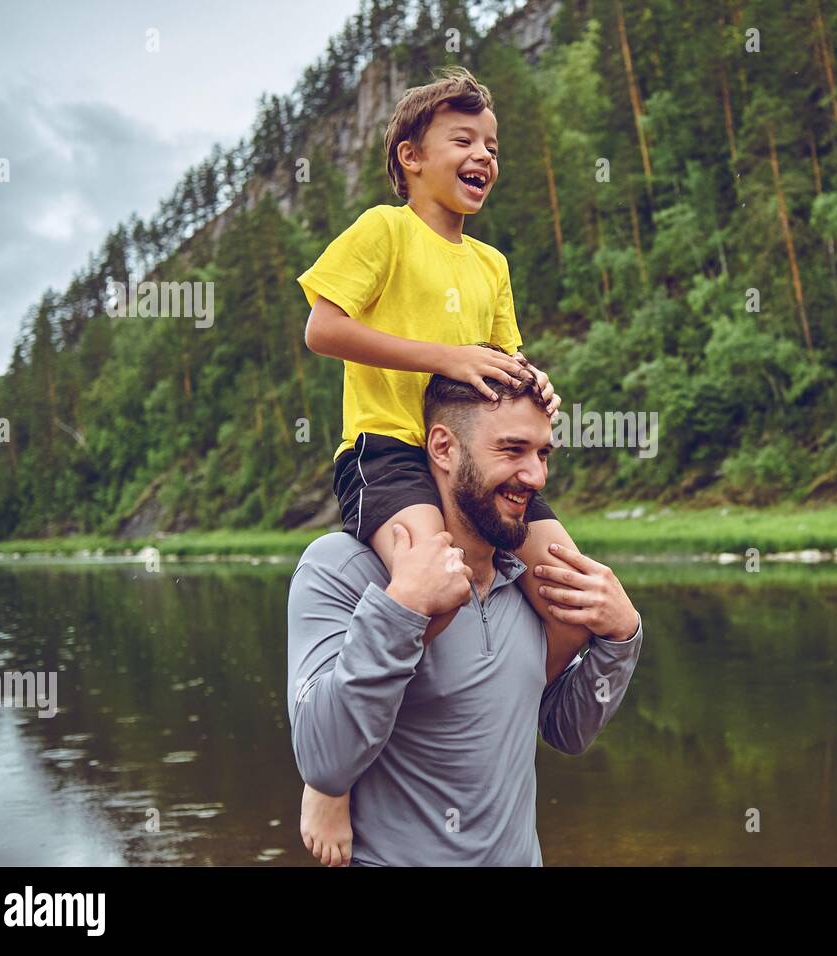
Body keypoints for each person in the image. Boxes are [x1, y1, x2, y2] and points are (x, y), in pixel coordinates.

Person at [295, 65, 593, 855]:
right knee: (436, 585)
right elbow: (323, 329)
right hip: (389, 451)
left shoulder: (490, 264)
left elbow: (501, 361)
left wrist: (536, 388)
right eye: (463, 140)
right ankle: (329, 779)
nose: (483, 156)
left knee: (571, 582)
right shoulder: (383, 231)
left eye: (492, 145)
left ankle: (518, 720)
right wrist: (444, 359)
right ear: (410, 158)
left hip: (470, 456)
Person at [286, 365, 645, 865]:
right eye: (512, 450)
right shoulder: (339, 568)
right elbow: (324, 759)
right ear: (443, 448)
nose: (536, 476)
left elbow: (567, 729)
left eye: (542, 453)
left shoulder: (527, 575)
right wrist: (402, 609)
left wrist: (620, 637)